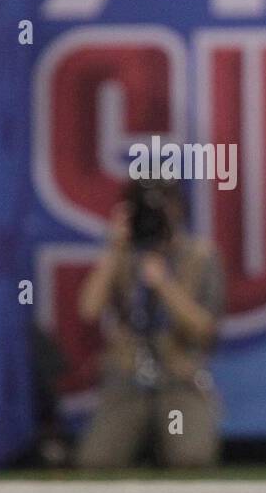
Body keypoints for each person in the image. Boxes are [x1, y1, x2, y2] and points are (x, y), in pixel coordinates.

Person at [76, 179, 225, 468]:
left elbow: (204, 329)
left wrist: (164, 284)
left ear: (178, 210)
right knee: (96, 461)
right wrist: (114, 249)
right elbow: (89, 310)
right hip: (127, 379)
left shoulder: (199, 255)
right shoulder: (122, 254)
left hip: (179, 380)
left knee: (190, 458)